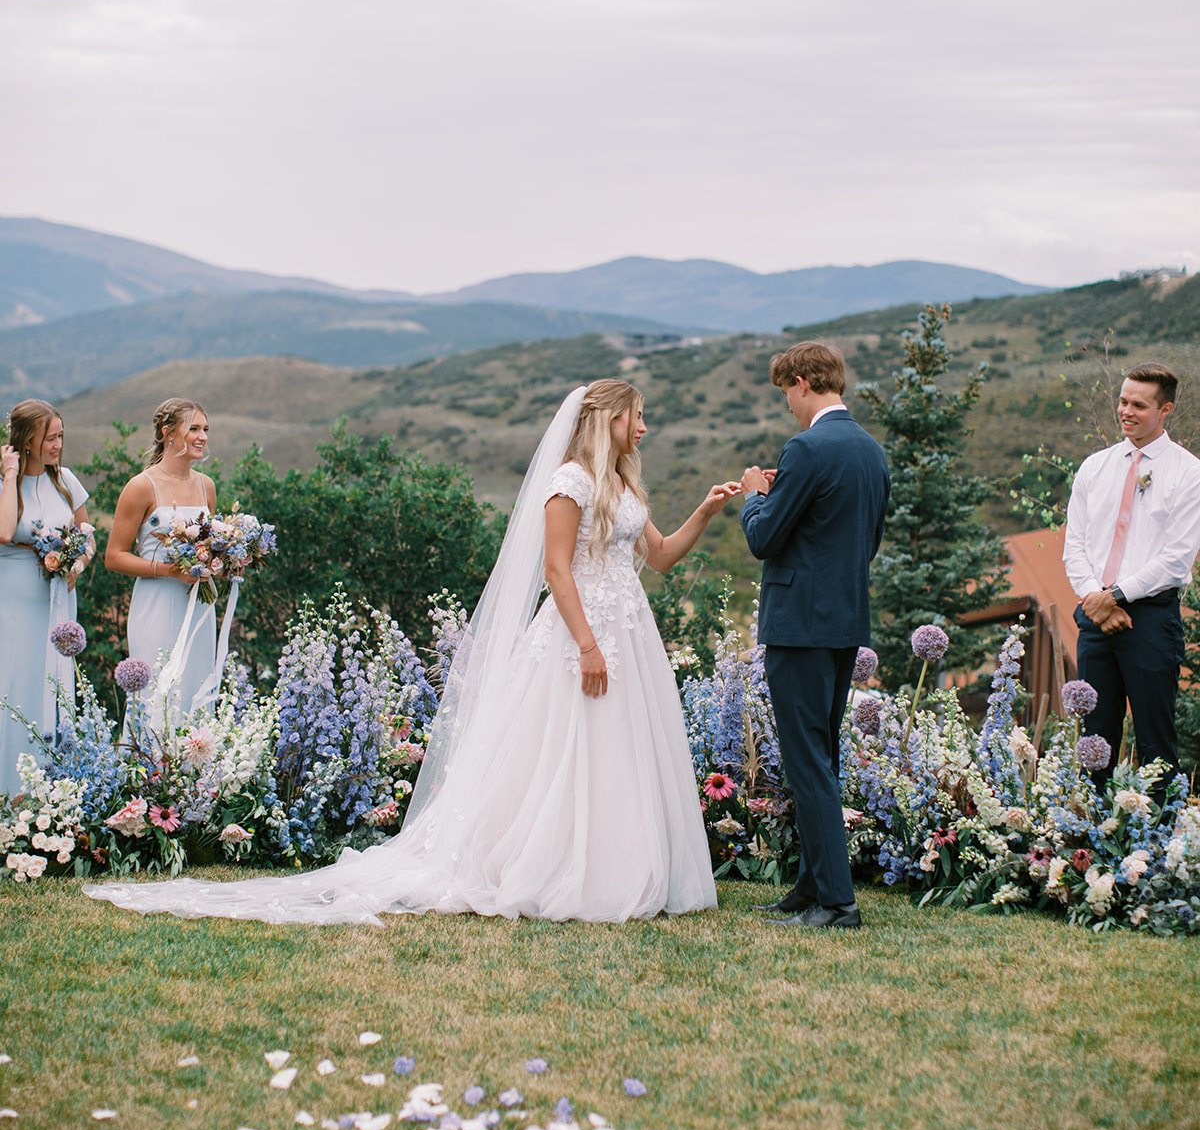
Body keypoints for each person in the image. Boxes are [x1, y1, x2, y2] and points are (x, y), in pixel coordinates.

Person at [85, 380, 739, 924]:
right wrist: (588, 645)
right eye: (637, 416)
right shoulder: (570, 480)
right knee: (559, 750)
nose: (646, 427)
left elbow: (658, 556)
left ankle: (619, 865)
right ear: (608, 421)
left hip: (631, 631)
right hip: (580, 636)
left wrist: (705, 512)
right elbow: (558, 571)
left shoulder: (622, 485)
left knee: (618, 749)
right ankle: (549, 866)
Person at [739, 342, 890, 930]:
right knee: (821, 754)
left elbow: (764, 538)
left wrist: (757, 493)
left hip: (798, 625)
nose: (788, 408)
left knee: (806, 760)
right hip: (842, 623)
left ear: (803, 382)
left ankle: (837, 902)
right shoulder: (870, 451)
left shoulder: (805, 447)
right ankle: (811, 885)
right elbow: (862, 540)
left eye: (786, 394)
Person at [1064, 363, 1200, 782]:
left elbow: (1176, 558)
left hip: (1151, 620)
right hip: (1096, 618)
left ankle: (1157, 843)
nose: (1126, 411)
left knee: (1155, 742)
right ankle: (1088, 839)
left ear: (1165, 410)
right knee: (1092, 742)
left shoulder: (1188, 472)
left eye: (1139, 405)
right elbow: (1075, 548)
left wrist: (1116, 596)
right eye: (1123, 401)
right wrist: (1097, 600)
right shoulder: (1095, 467)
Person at [0, 400, 95, 797]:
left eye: (60, 436)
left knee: (51, 686)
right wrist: (9, 475)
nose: (57, 445)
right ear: (26, 441)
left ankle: (52, 794)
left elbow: (86, 531)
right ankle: (8, 790)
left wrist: (80, 563)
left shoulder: (65, 480)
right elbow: (6, 532)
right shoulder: (4, 482)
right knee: (13, 683)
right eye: (49, 438)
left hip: (56, 600)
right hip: (12, 599)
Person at [105, 399, 217, 721]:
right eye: (194, 428)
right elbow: (114, 556)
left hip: (198, 605)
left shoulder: (206, 486)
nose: (202, 436)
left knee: (195, 689)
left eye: (205, 429)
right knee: (156, 692)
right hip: (156, 602)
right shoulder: (142, 487)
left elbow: (209, 544)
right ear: (169, 433)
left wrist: (221, 561)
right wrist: (170, 570)